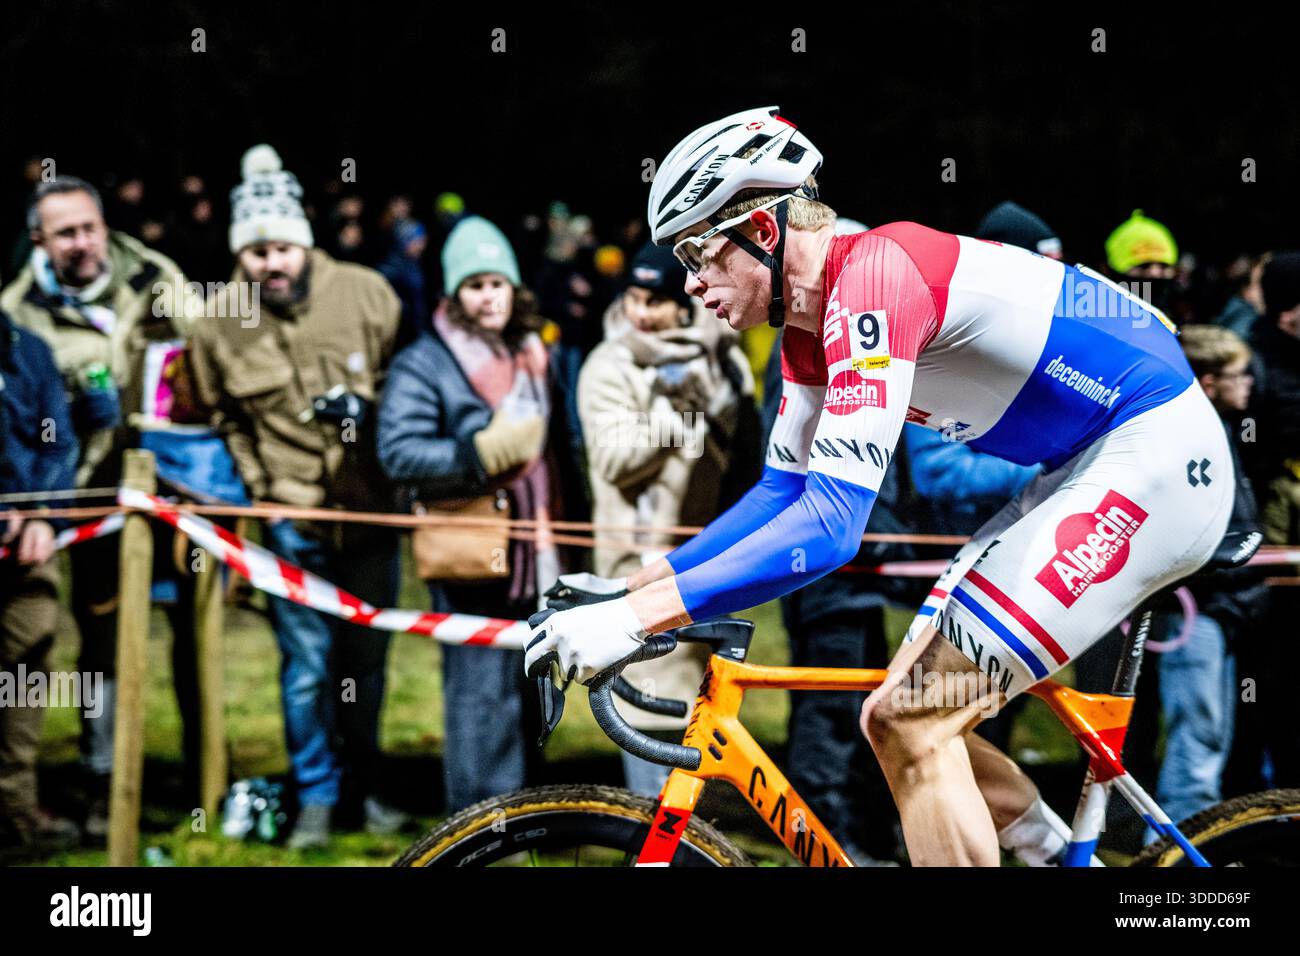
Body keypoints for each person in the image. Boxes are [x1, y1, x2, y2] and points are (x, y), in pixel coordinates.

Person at [525, 106, 1234, 866]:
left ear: (764, 232)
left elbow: (830, 528)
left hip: (1155, 457)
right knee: (893, 722)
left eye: (699, 253)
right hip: (1089, 460)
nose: (692, 283)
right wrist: (633, 589)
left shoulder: (873, 276)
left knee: (919, 720)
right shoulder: (809, 323)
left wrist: (639, 619)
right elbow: (780, 495)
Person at [188, 144, 406, 849]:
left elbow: (407, 386)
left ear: (303, 238)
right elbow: (224, 418)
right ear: (238, 255)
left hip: (368, 510)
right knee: (307, 666)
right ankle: (316, 793)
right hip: (290, 521)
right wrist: (260, 491)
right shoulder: (218, 321)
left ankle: (367, 788)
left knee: (366, 665)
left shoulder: (369, 293)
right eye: (255, 253)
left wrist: (373, 423)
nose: (270, 264)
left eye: (281, 246)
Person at [0, 175, 203, 839]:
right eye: (65, 233)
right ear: (40, 240)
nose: (83, 243)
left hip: (171, 494)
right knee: (99, 650)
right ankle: (102, 780)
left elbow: (205, 361)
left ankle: (199, 784)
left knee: (192, 640)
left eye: (90, 227)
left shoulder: (153, 275)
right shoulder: (19, 315)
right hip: (82, 506)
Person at [377, 215, 558, 812]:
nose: (487, 296)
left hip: (535, 551)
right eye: (474, 285)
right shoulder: (425, 362)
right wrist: (474, 455)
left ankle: (530, 813)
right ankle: (482, 827)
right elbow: (397, 451)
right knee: (481, 691)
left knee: (531, 685)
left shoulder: (534, 353)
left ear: (514, 289)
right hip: (472, 551)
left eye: (497, 283)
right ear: (454, 293)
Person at [577, 241, 755, 797]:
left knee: (701, 714)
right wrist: (675, 411)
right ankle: (651, 837)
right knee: (652, 706)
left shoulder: (722, 357)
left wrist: (714, 407)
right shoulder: (611, 362)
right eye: (632, 298)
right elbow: (612, 459)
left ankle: (688, 838)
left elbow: (745, 453)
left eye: (654, 301)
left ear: (683, 305)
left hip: (704, 558)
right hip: (639, 559)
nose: (641, 312)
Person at [1146, 325, 1265, 839]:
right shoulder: (1191, 438)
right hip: (1196, 609)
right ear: (1210, 382)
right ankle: (1176, 848)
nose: (1250, 386)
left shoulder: (1218, 429)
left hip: (1221, 606)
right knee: (1197, 735)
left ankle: (1186, 842)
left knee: (1210, 734)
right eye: (1239, 376)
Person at [0, 307, 80, 855]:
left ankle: (16, 812)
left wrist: (42, 516)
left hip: (25, 549)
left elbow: (58, 444)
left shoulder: (27, 349)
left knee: (27, 671)